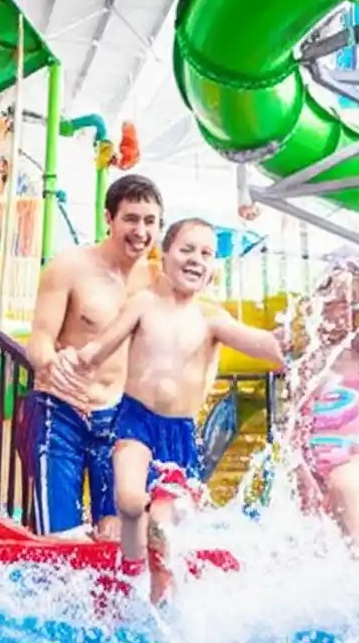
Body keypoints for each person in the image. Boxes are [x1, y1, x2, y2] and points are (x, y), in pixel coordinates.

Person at [74, 218, 285, 604]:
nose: (195, 259)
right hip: (136, 419)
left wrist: (282, 346)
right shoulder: (143, 303)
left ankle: (159, 592)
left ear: (214, 268)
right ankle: (131, 574)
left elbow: (257, 342)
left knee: (162, 522)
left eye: (206, 253)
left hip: (179, 433)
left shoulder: (211, 317)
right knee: (128, 501)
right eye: (187, 249)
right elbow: (105, 343)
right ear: (165, 255)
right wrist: (79, 361)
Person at [17, 174, 163, 540]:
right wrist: (53, 364)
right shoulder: (69, 266)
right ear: (108, 218)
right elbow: (39, 340)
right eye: (131, 218)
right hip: (61, 410)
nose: (140, 231)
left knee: (120, 536)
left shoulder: (157, 284)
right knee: (59, 539)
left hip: (118, 422)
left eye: (150, 221)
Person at [287, 257, 359, 552]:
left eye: (354, 304)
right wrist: (300, 471)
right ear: (319, 302)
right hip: (315, 467)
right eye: (337, 301)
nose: (345, 312)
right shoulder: (306, 359)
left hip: (358, 462)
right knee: (307, 512)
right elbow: (294, 428)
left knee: (343, 486)